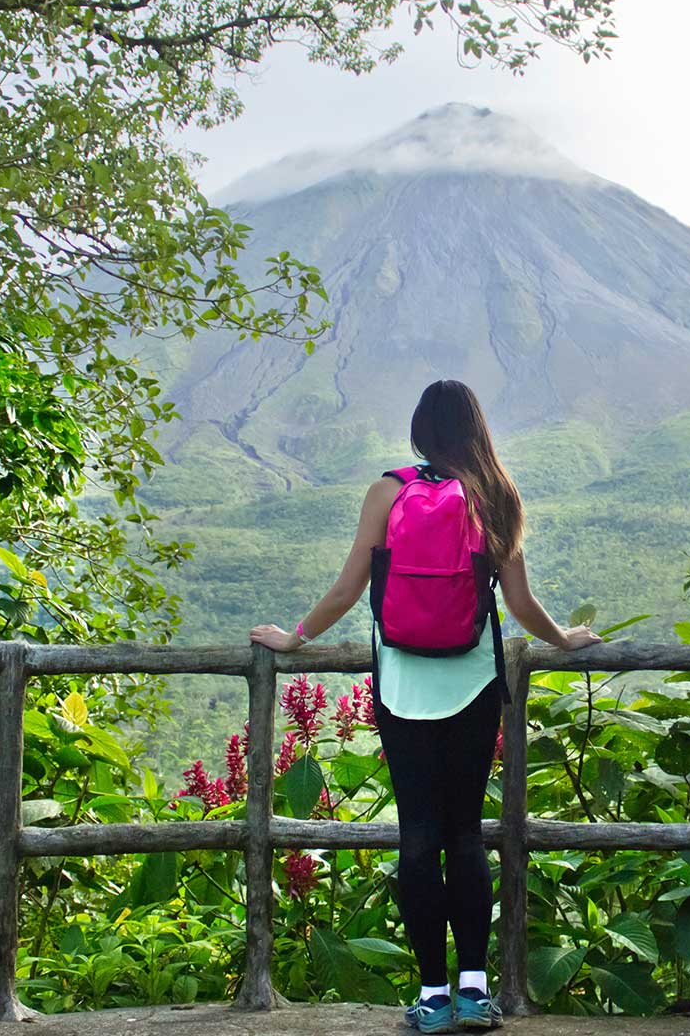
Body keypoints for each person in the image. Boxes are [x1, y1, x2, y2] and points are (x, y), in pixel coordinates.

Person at [251, 378, 602, 1033]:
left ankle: (433, 997)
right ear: (476, 430)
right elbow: (521, 605)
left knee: (417, 841)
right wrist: (566, 639)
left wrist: (293, 639)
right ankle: (475, 991)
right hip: (471, 684)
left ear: (419, 431)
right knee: (466, 836)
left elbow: (349, 588)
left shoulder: (388, 490)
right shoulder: (495, 494)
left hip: (402, 685)